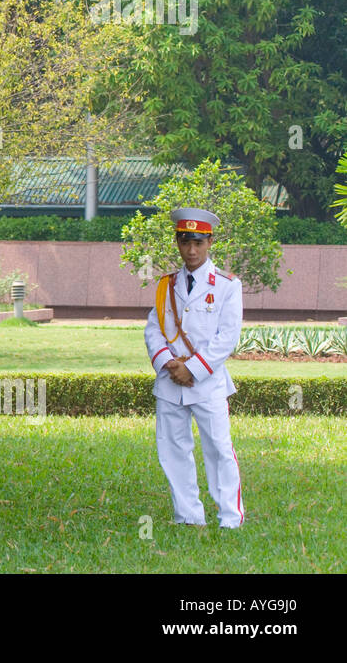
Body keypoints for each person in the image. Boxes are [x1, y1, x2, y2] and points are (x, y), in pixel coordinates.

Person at [143, 207, 245, 529]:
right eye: (185, 242)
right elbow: (153, 329)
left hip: (208, 383)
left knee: (219, 449)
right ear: (177, 241)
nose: (191, 250)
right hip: (171, 380)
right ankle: (188, 516)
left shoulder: (227, 285)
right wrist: (168, 363)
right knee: (173, 450)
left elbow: (227, 337)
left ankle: (230, 518)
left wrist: (194, 369)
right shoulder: (166, 285)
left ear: (210, 242)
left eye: (198, 243)